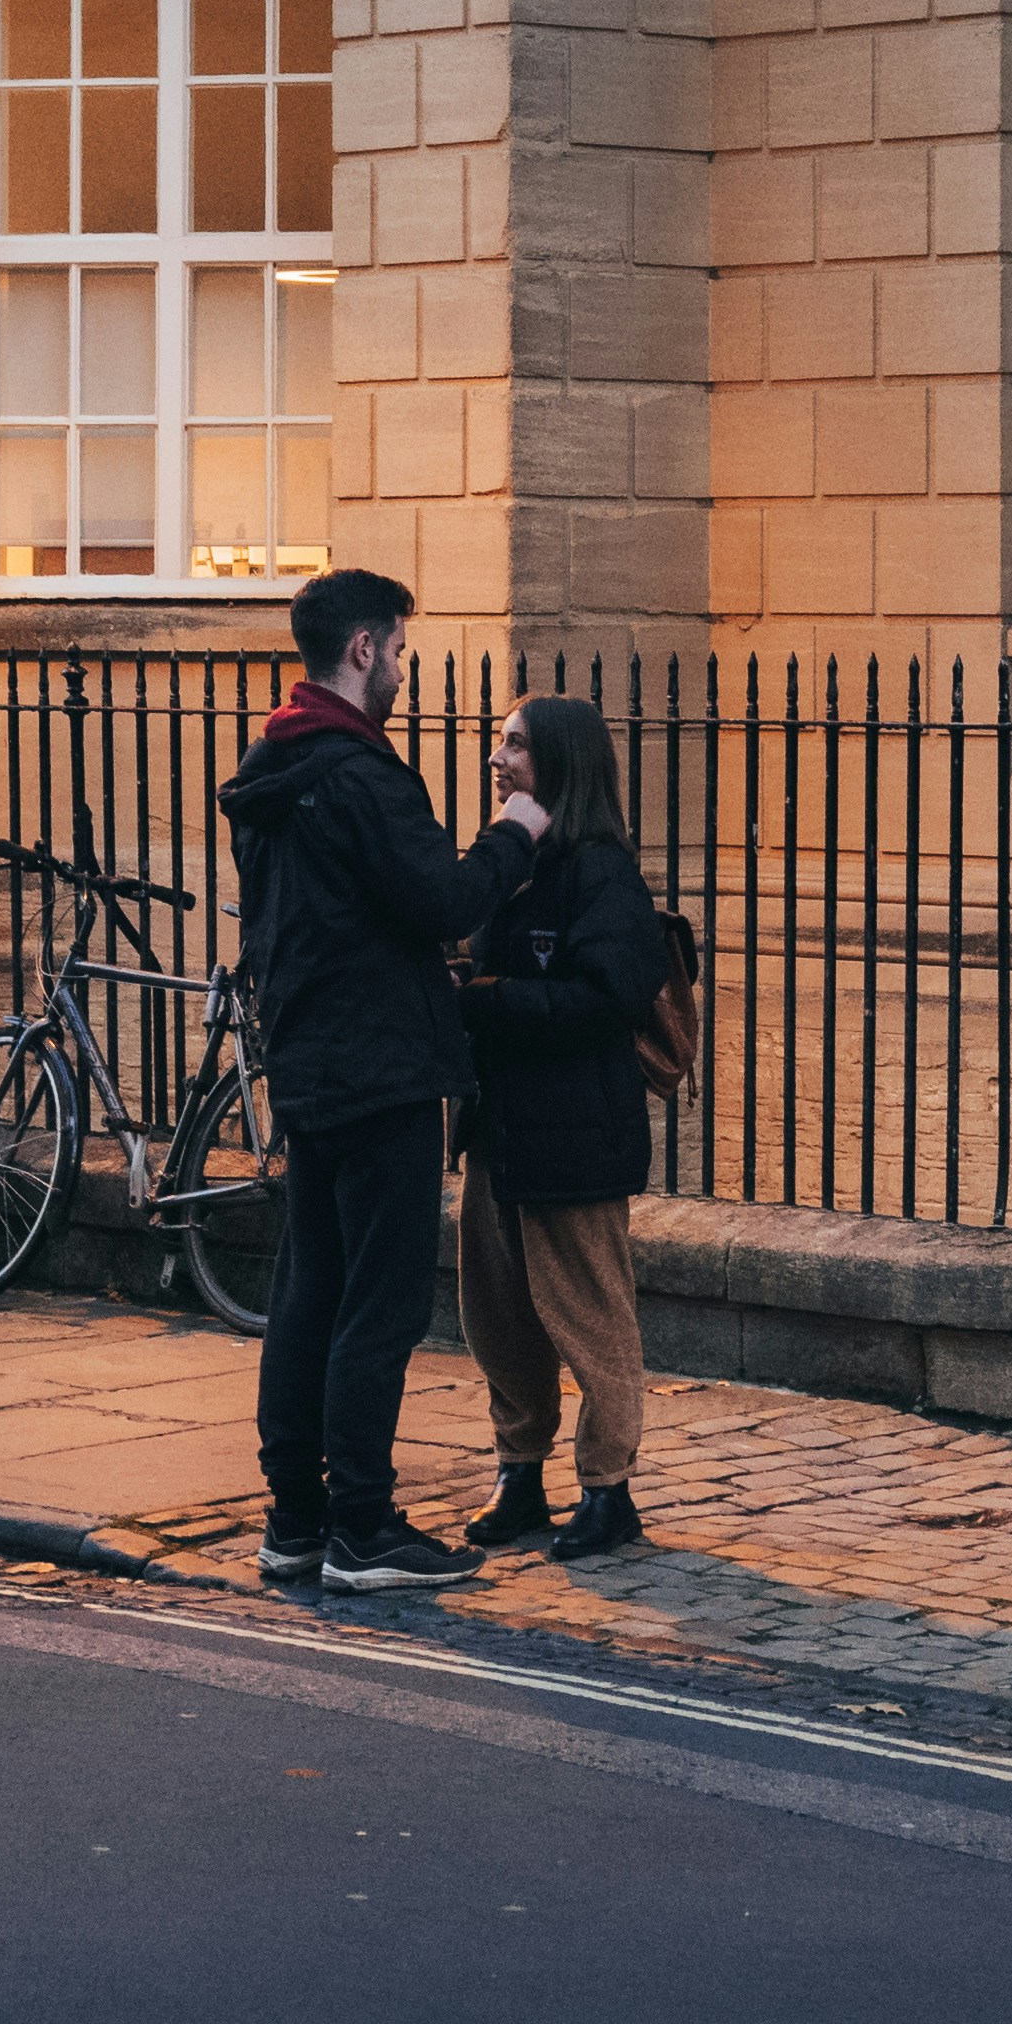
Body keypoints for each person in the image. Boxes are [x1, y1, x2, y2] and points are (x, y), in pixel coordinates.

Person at [215, 566, 526, 1594]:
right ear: (361, 649)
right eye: (397, 648)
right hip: (383, 1066)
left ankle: (294, 1519)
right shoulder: (360, 774)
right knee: (377, 1304)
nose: (401, 666)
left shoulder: (274, 763)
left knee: (309, 1290)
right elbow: (442, 899)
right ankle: (362, 1524)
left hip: (306, 1057)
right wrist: (515, 837)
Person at [451, 692, 671, 1563]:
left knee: (590, 1318)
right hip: (500, 1127)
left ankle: (608, 1490)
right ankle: (520, 1473)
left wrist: (492, 1000)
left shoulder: (604, 872)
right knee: (498, 1315)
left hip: (576, 1132)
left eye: (515, 746)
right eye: (498, 743)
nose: (497, 758)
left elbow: (608, 999)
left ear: (565, 765)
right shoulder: (512, 861)